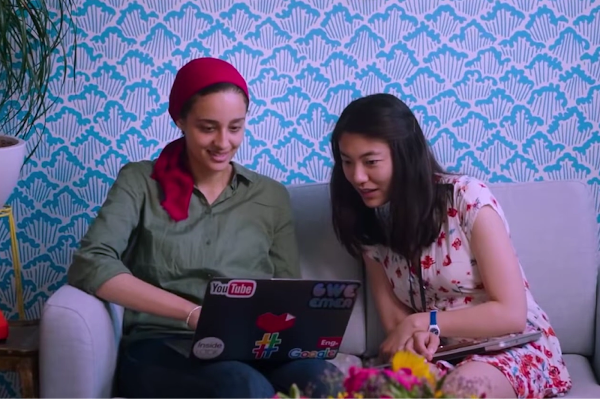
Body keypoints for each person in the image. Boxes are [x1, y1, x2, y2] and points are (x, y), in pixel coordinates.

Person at [67, 57, 342, 399]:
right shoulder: (139, 182)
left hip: (249, 345)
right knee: (243, 386)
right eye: (208, 127)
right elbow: (90, 262)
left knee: (327, 380)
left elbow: (287, 289)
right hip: (163, 343)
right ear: (179, 119)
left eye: (236, 127)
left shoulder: (270, 196)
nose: (223, 142)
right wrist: (193, 313)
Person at [328, 93, 572, 399]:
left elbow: (511, 314)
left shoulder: (467, 197)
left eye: (371, 162)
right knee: (383, 392)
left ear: (404, 155)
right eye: (347, 162)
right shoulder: (370, 222)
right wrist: (417, 342)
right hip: (441, 354)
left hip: (510, 344)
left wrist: (425, 322)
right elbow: (395, 325)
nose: (357, 177)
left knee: (457, 393)